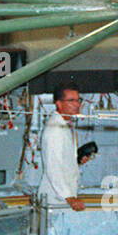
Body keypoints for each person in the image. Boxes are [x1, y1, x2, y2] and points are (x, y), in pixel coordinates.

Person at [39, 83, 85, 211]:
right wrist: (69, 197)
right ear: (59, 104)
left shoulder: (65, 124)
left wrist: (77, 161)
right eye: (71, 100)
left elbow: (62, 160)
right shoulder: (55, 129)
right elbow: (53, 166)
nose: (77, 104)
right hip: (56, 198)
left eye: (78, 100)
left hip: (63, 196)